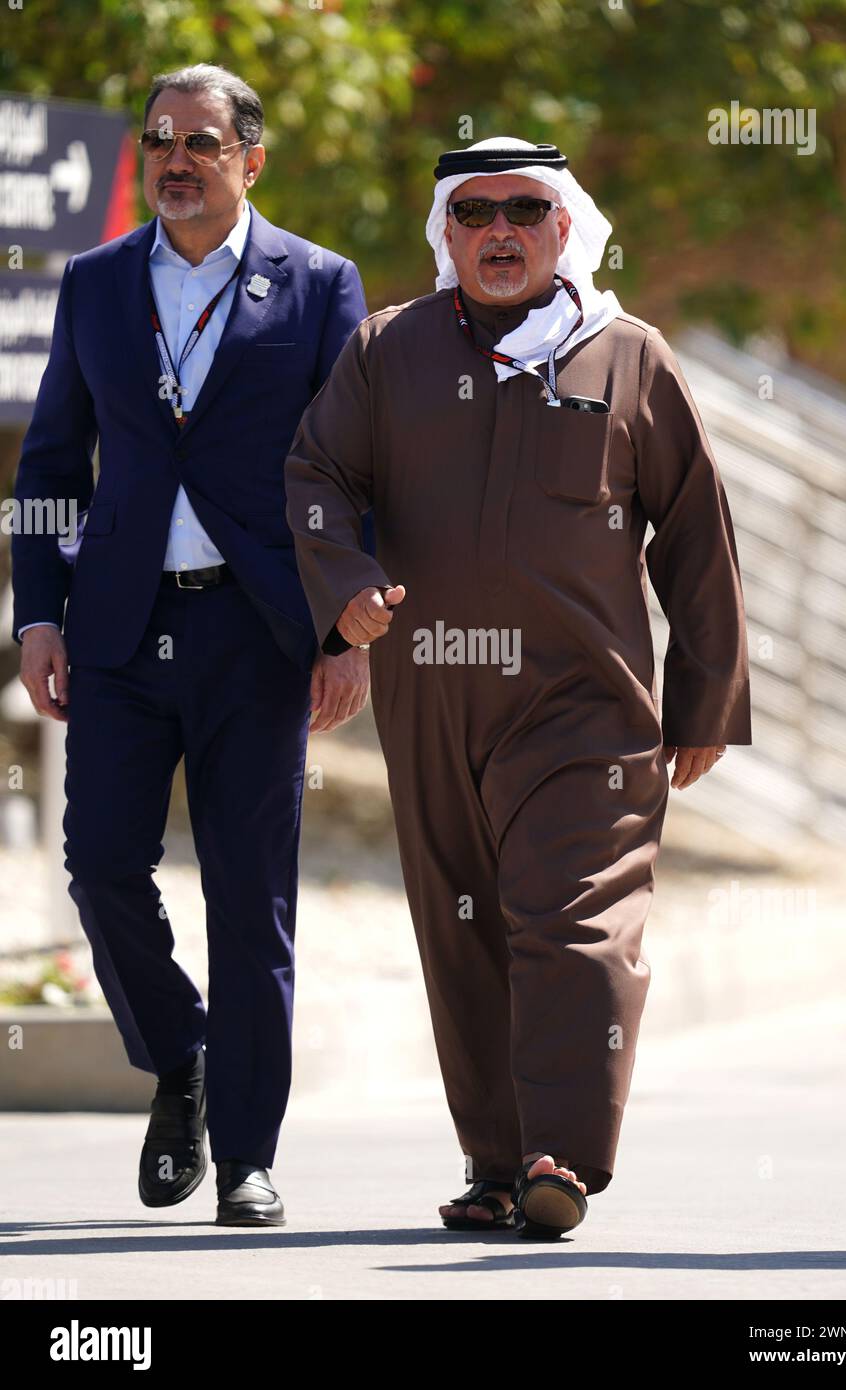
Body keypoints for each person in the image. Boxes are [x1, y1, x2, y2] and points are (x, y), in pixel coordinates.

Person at [284, 136, 751, 1238]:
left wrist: (706, 698)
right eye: (475, 212)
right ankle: (495, 1161)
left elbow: (696, 535)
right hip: (432, 696)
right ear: (447, 232)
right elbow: (315, 474)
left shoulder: (628, 358)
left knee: (573, 913)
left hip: (586, 704)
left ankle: (562, 1156)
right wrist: (342, 590)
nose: (499, 231)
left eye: (524, 212)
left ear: (564, 228)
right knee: (464, 927)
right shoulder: (386, 351)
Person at [12, 64, 371, 1227]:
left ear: (249, 159)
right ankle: (181, 1055)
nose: (174, 159)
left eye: (200, 142)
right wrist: (38, 612)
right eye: (160, 140)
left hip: (257, 629)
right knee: (103, 869)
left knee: (249, 898)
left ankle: (248, 1157)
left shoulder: (318, 286)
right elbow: (52, 465)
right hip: (118, 625)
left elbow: (354, 478)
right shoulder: (99, 282)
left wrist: (342, 627)